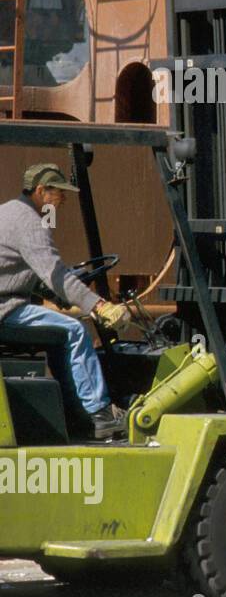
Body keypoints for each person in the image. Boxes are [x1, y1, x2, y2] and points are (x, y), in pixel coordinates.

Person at [0, 163, 131, 440]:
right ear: (41, 191)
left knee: (60, 332)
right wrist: (99, 306)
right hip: (5, 309)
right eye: (59, 193)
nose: (63, 200)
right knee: (74, 331)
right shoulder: (31, 222)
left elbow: (31, 273)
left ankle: (74, 413)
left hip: (7, 301)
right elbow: (55, 272)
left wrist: (58, 295)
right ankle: (100, 414)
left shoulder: (11, 210)